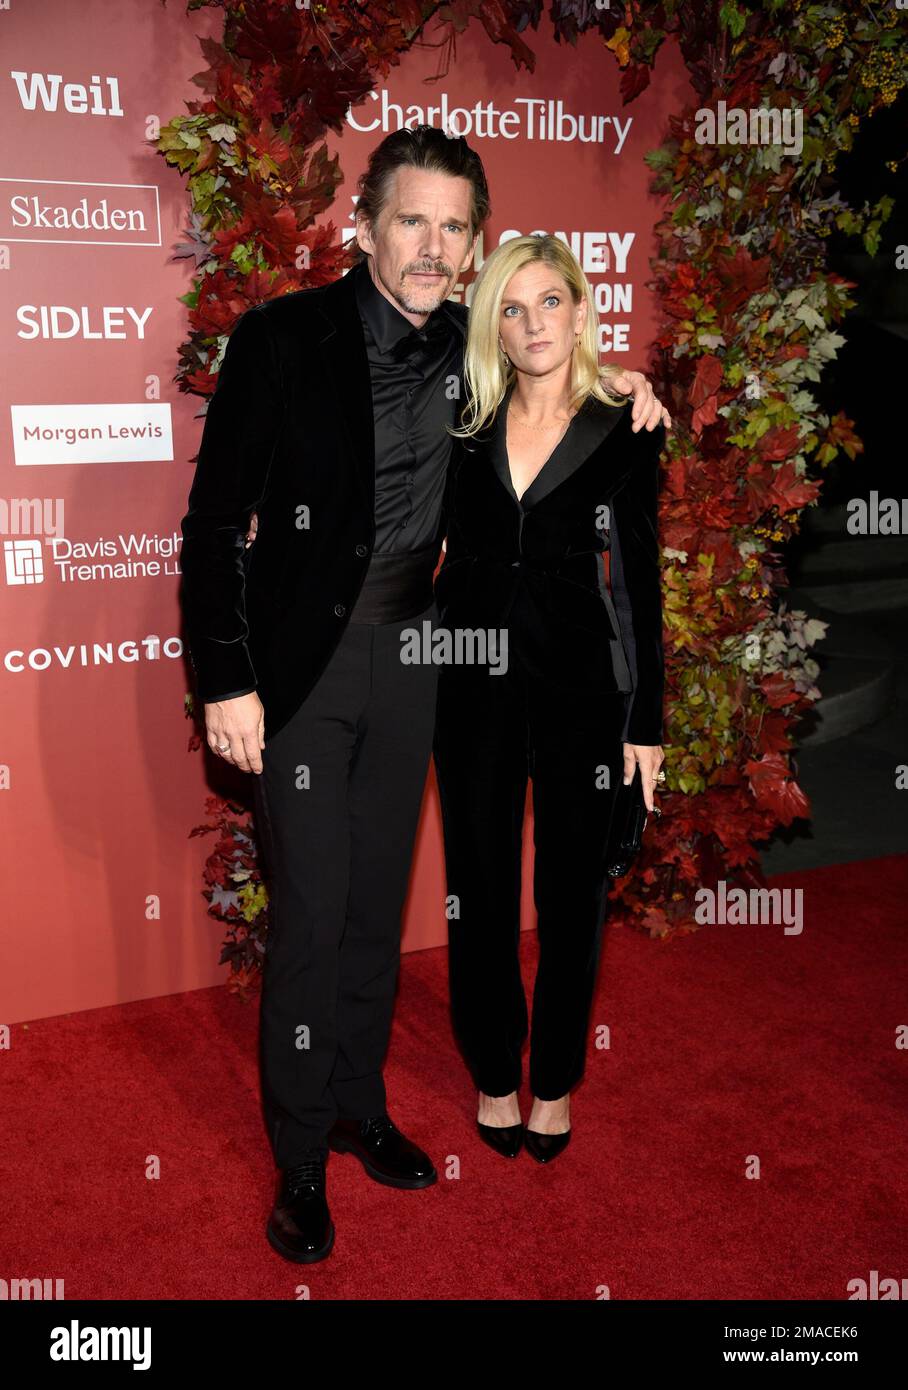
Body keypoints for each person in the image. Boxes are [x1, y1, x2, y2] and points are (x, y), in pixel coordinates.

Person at [179, 126, 669, 1264]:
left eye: (454, 227)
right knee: (308, 916)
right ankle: (299, 1155)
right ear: (363, 225)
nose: (431, 246)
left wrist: (627, 387)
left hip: (418, 662)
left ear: (472, 244)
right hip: (301, 665)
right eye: (410, 219)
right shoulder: (282, 338)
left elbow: (564, 402)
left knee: (373, 908)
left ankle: (356, 1103)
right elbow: (213, 527)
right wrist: (229, 677)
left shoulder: (476, 349)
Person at [432, 233, 667, 1164]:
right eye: (512, 307)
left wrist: (643, 721)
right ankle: (494, 1067)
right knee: (479, 886)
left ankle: (557, 1078)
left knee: (572, 897)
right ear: (493, 320)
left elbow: (639, 584)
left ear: (579, 306)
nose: (533, 323)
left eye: (549, 302)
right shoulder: (465, 417)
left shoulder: (623, 422)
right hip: (471, 682)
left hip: (581, 688)